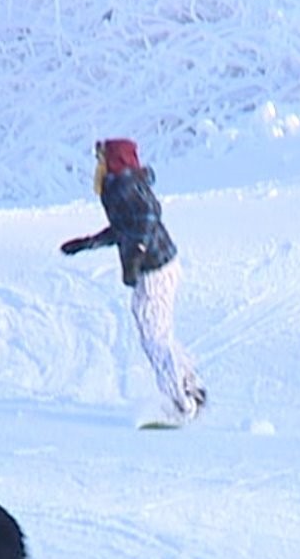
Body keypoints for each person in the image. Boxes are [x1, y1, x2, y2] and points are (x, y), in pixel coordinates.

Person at [60, 137, 207, 422]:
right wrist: (88, 243)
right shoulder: (123, 184)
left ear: (113, 161)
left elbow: (147, 217)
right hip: (159, 267)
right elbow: (125, 226)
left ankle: (181, 403)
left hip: (154, 269)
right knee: (154, 331)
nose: (97, 166)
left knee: (154, 338)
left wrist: (137, 255)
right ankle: (190, 386)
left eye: (101, 160)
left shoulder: (122, 186)